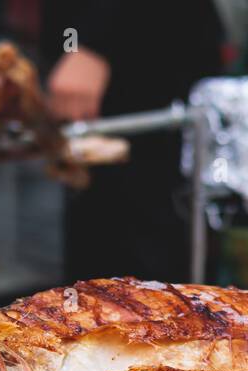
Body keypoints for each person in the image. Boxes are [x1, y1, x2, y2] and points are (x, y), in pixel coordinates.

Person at [39, 1, 225, 283]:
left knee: (155, 262)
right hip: (87, 76)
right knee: (96, 243)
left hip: (151, 58)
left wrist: (94, 44)